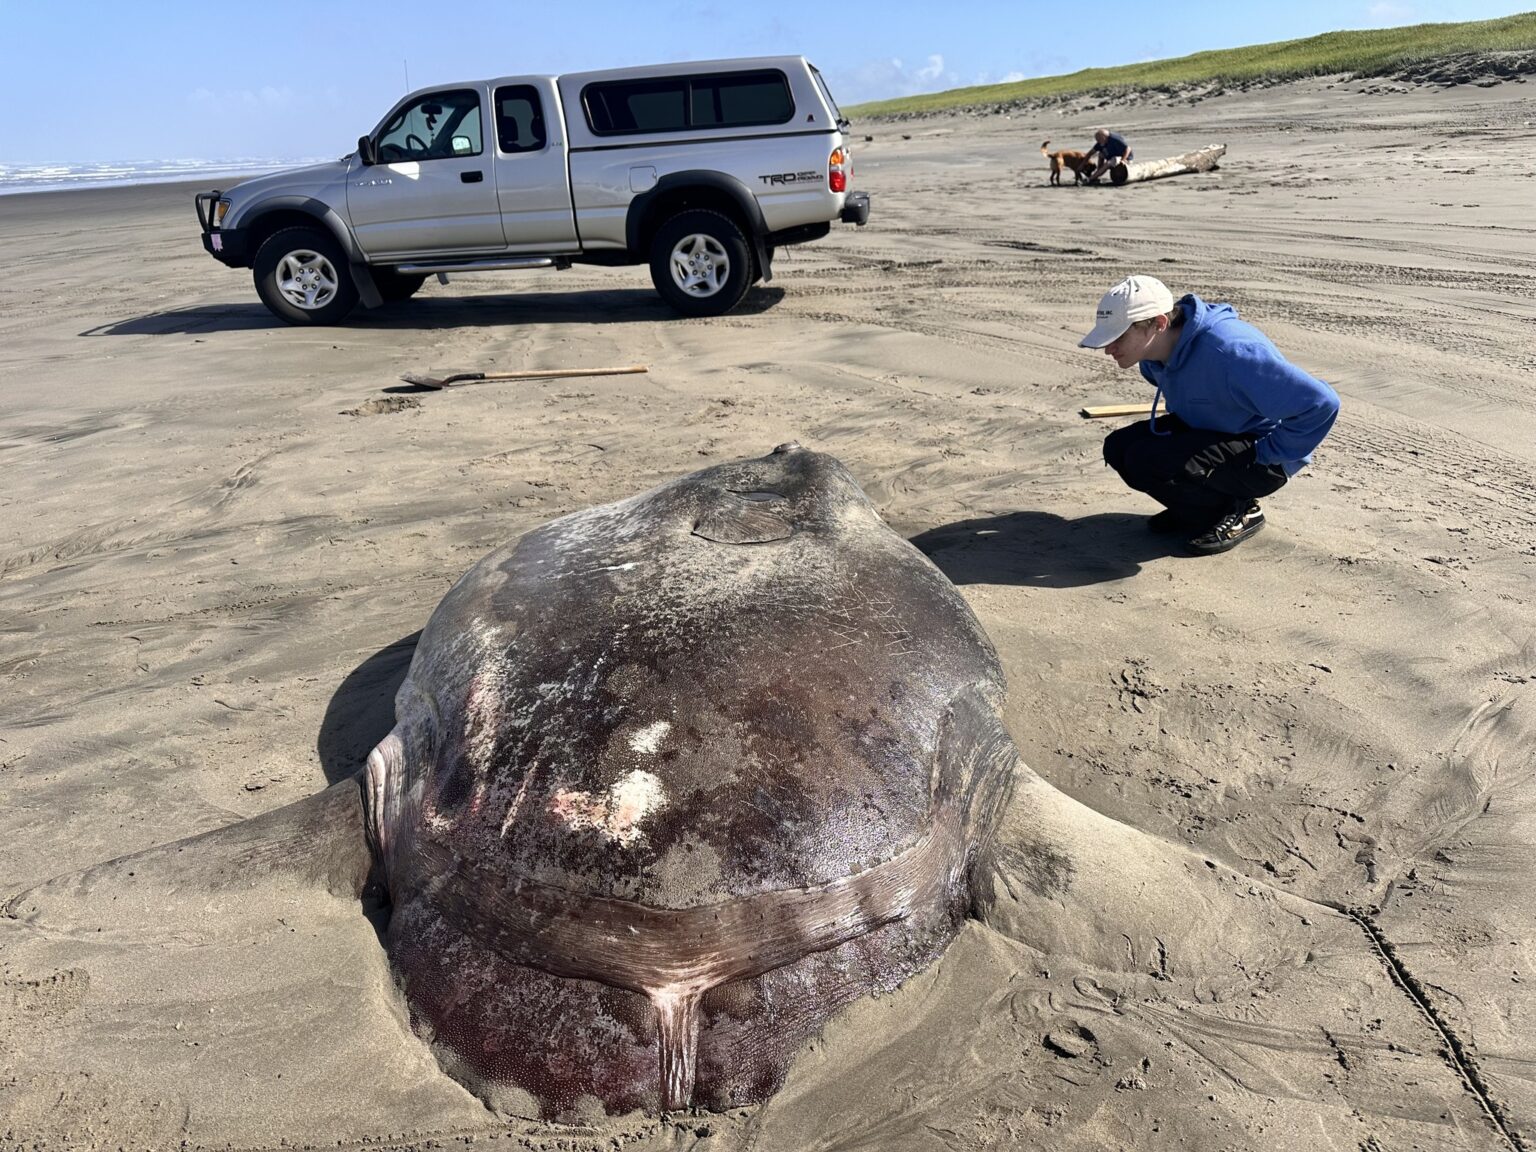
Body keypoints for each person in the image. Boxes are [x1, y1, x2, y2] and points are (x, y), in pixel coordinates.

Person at [1079, 275, 1340, 555]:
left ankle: (1240, 511)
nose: (1108, 348)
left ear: (1159, 323)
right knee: (1120, 448)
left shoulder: (1231, 352)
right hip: (1214, 431)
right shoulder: (1152, 356)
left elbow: (1320, 404)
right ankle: (1197, 512)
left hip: (1260, 450)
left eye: (1118, 336)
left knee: (1150, 459)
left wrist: (1266, 457)